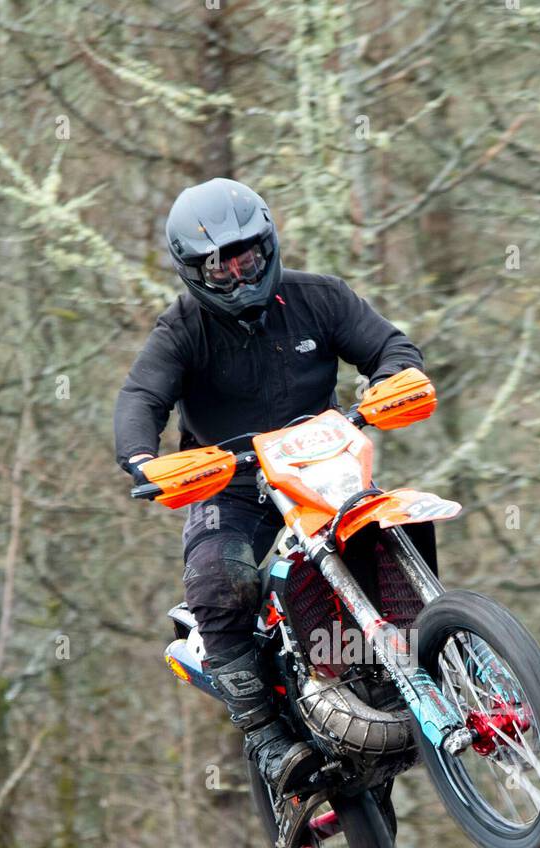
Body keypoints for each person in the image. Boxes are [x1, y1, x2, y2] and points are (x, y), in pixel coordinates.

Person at [114, 177, 425, 794]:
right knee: (217, 580)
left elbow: (389, 345)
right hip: (230, 485)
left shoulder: (320, 298)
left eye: (246, 253)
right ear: (192, 270)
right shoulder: (181, 330)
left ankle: (430, 652)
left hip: (325, 469)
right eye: (218, 263)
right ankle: (266, 735)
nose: (237, 270)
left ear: (267, 243)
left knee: (399, 524)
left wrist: (395, 377)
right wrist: (142, 459)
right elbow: (141, 395)